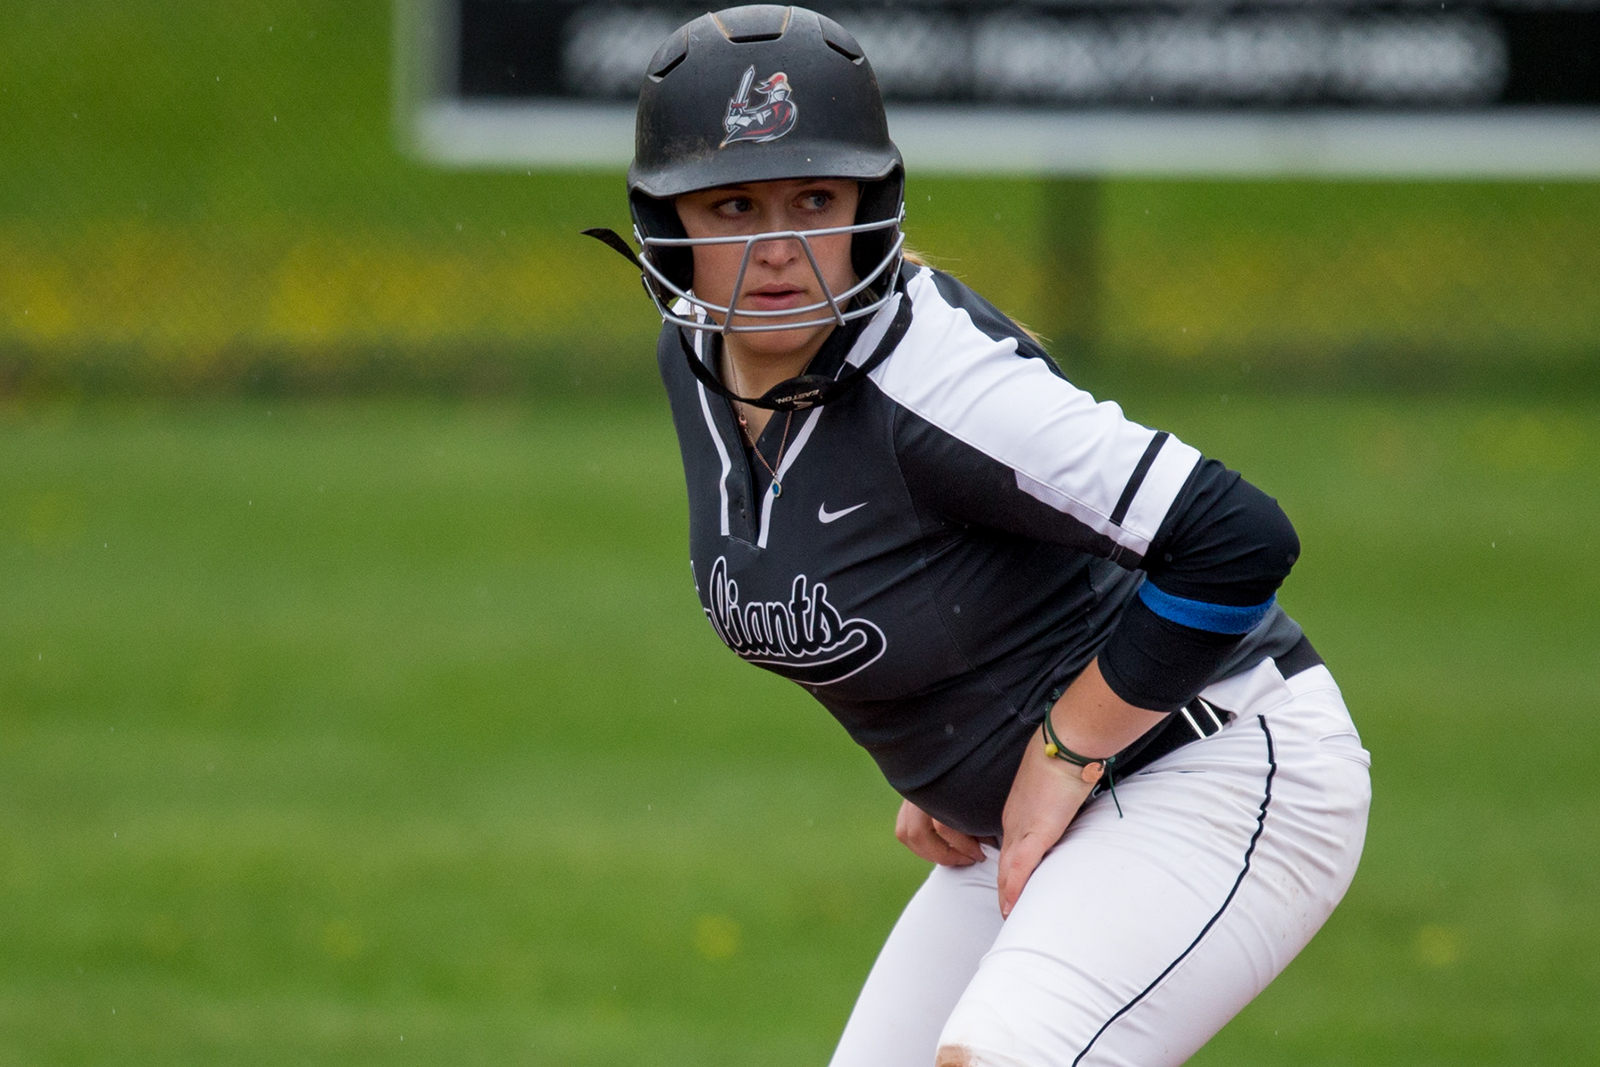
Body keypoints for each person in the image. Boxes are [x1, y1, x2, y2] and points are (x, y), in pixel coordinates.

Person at [586, 6, 1371, 1065]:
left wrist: (1058, 749)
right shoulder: (697, 361)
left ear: (872, 205)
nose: (777, 249)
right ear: (669, 223)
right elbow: (889, 576)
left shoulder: (934, 380)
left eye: (814, 197)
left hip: (1217, 763)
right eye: (732, 205)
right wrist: (937, 765)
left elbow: (1233, 536)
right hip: (1027, 814)